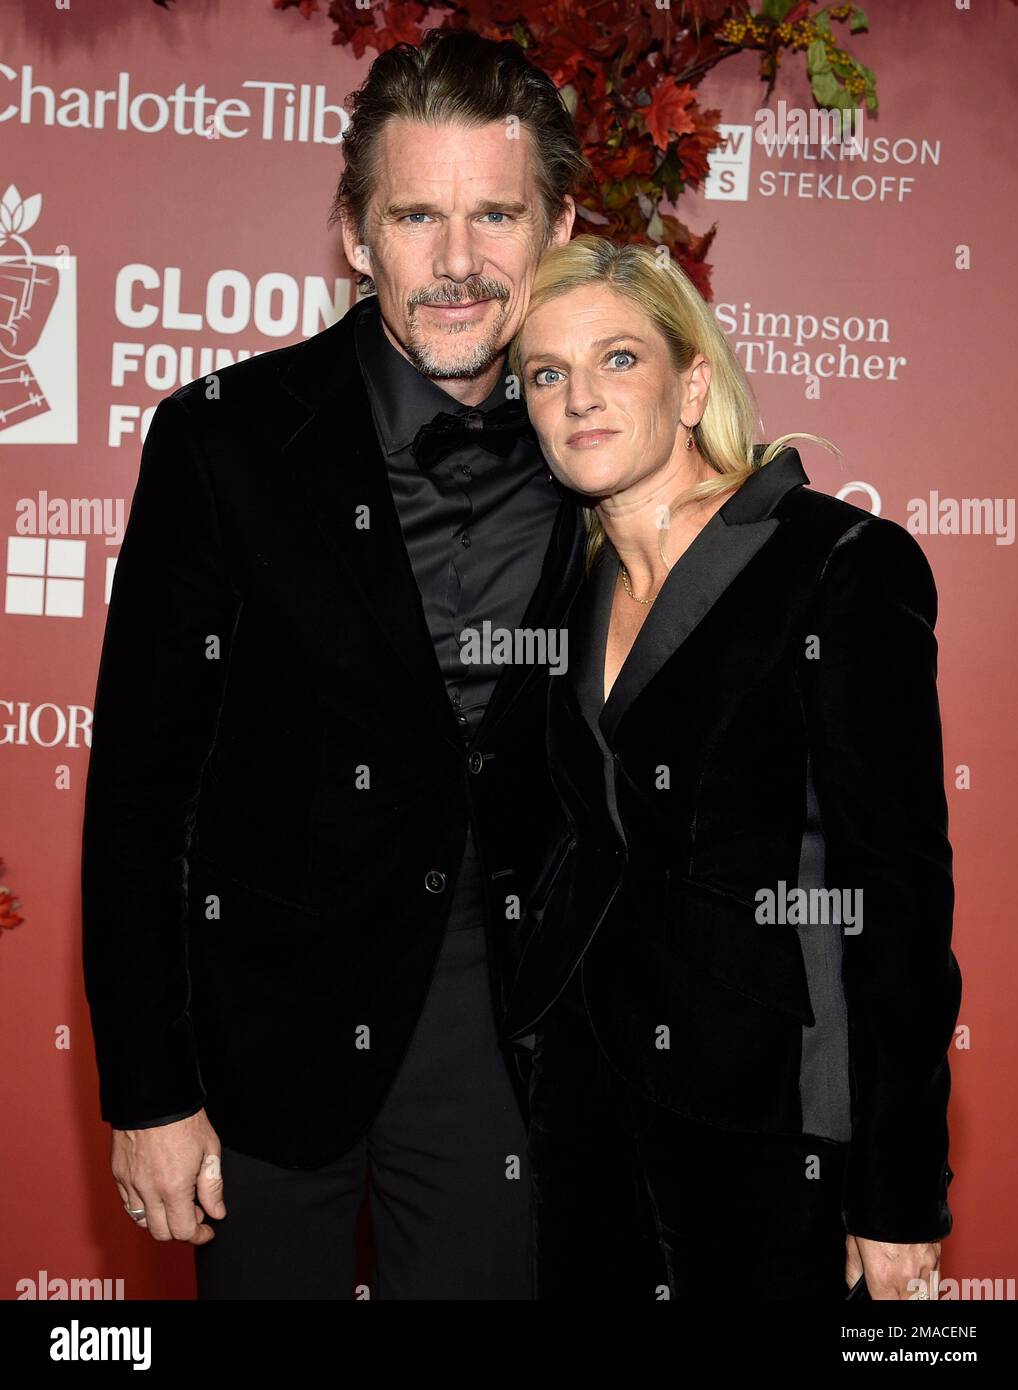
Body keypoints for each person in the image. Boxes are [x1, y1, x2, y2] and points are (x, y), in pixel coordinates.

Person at [80, 29, 590, 1300]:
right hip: (266, 1040)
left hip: (503, 1047)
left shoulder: (610, 449)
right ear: (356, 234)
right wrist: (149, 1089)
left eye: (495, 215)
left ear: (557, 226)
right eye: (417, 215)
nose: (460, 263)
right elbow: (141, 793)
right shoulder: (224, 441)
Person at [502, 236, 962, 1301]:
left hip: (770, 1128)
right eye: (546, 374)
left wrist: (895, 1192)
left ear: (691, 379)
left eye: (617, 360)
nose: (580, 397)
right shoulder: (561, 595)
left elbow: (895, 895)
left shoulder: (838, 564)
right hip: (582, 1111)